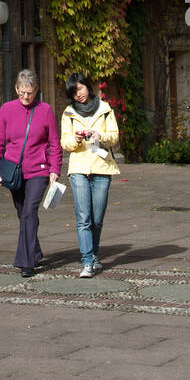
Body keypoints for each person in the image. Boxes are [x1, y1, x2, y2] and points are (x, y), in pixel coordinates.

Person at [0, 69, 62, 277]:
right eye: (22, 92)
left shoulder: (46, 110)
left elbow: (54, 143)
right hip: (14, 171)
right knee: (23, 214)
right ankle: (36, 251)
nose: (25, 97)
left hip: (38, 170)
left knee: (30, 212)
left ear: (36, 90)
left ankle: (26, 261)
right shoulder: (6, 109)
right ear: (16, 89)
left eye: (29, 93)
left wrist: (55, 169)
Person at [60, 73, 120, 276]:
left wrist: (99, 135)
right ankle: (87, 261)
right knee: (83, 218)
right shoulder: (68, 113)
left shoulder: (104, 109)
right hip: (78, 169)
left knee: (97, 218)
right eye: (73, 92)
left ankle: (94, 254)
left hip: (101, 168)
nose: (78, 95)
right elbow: (65, 143)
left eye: (80, 89)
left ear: (88, 87)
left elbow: (114, 138)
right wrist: (76, 140)